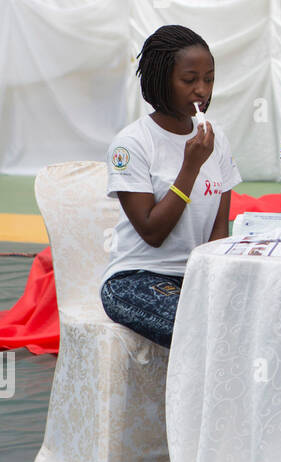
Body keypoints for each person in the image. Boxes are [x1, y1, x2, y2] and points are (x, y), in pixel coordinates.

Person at [101, 26, 241, 348]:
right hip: (137, 278)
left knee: (252, 315)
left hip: (196, 276)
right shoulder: (132, 144)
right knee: (203, 329)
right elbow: (152, 231)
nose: (202, 91)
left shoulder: (214, 136)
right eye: (189, 80)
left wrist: (215, 278)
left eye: (209, 79)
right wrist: (190, 166)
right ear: (161, 80)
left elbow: (219, 229)